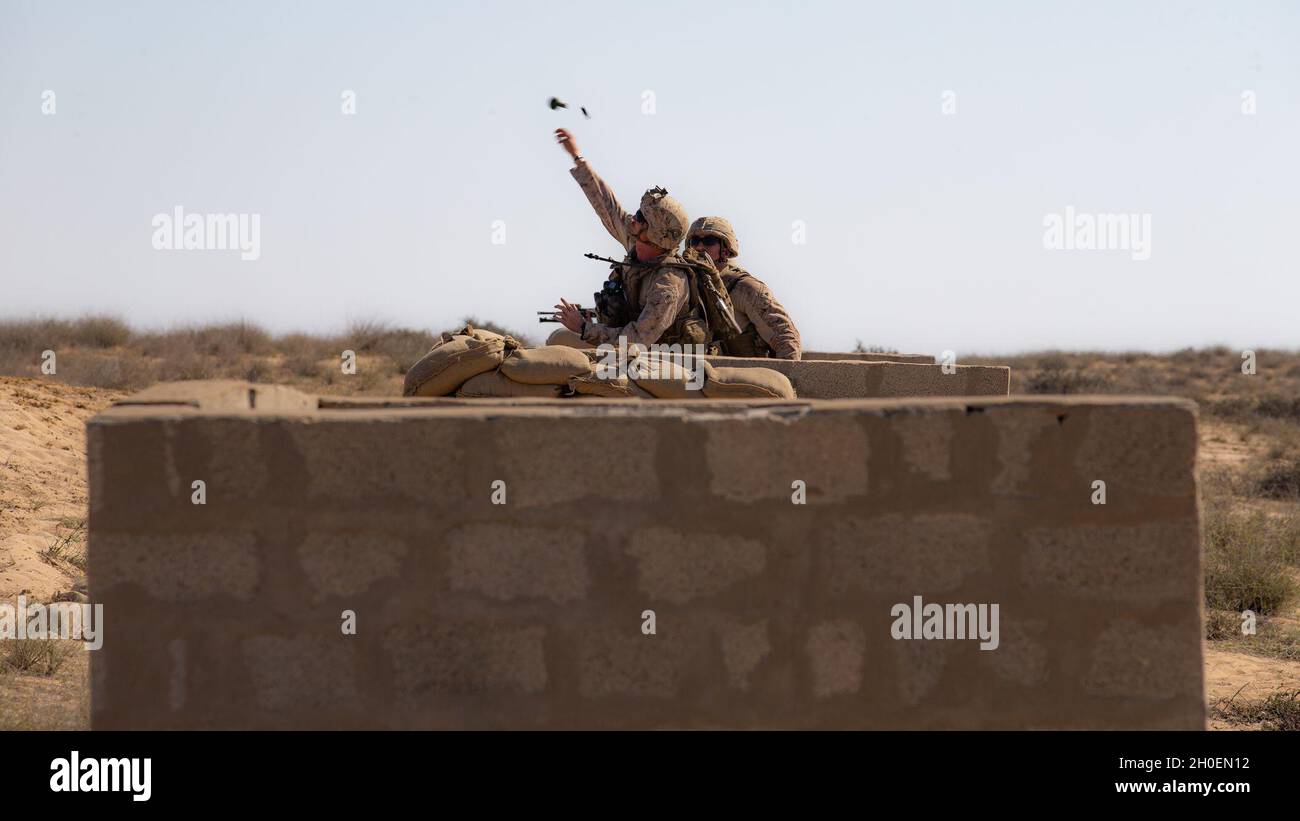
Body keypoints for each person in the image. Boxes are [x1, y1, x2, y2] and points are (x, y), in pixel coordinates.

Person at [552, 128, 719, 349]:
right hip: (633, 353)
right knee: (558, 339)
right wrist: (577, 156)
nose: (633, 218)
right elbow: (606, 204)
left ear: (655, 234)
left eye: (641, 217)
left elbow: (639, 339)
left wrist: (585, 329)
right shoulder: (637, 242)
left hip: (666, 362)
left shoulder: (668, 283)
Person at [685, 216, 803, 360]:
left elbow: (786, 338)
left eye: (709, 241)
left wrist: (785, 379)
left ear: (726, 251)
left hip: (747, 377)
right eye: (694, 241)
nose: (699, 247)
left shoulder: (744, 288)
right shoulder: (685, 284)